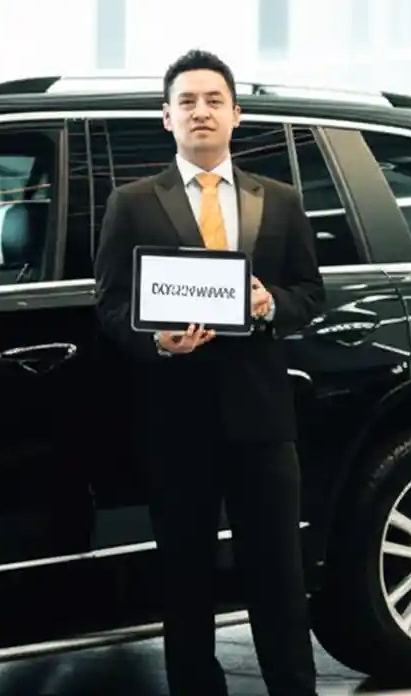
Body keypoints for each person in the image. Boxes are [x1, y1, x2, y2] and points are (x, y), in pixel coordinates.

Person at [94, 49, 324, 696]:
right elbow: (110, 305)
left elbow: (311, 291)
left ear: (236, 115)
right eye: (187, 102)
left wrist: (271, 303)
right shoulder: (132, 202)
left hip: (262, 419)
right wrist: (158, 340)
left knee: (279, 574)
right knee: (186, 580)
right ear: (166, 118)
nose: (201, 111)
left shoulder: (277, 200)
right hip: (176, 419)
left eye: (213, 100)